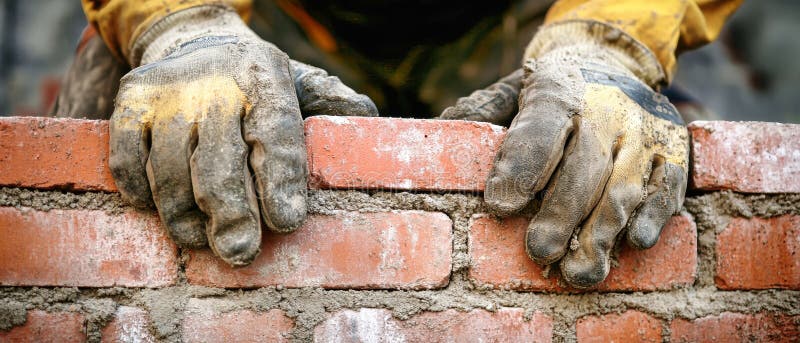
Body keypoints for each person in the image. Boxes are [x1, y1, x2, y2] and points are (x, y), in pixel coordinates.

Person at [54, 0, 741, 288]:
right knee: (125, 86)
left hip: (520, 19)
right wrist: (184, 24)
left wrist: (607, 46)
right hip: (286, 19)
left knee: (639, 147)